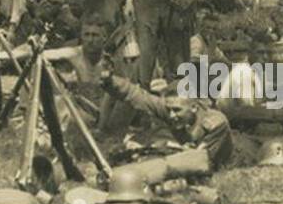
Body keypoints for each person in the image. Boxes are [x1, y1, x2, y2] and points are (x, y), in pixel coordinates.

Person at [100, 70, 233, 170]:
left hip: (231, 159)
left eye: (176, 110)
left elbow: (199, 161)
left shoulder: (216, 124)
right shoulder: (173, 109)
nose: (171, 115)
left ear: (193, 107)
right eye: (168, 109)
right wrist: (111, 81)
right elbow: (138, 96)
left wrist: (161, 148)